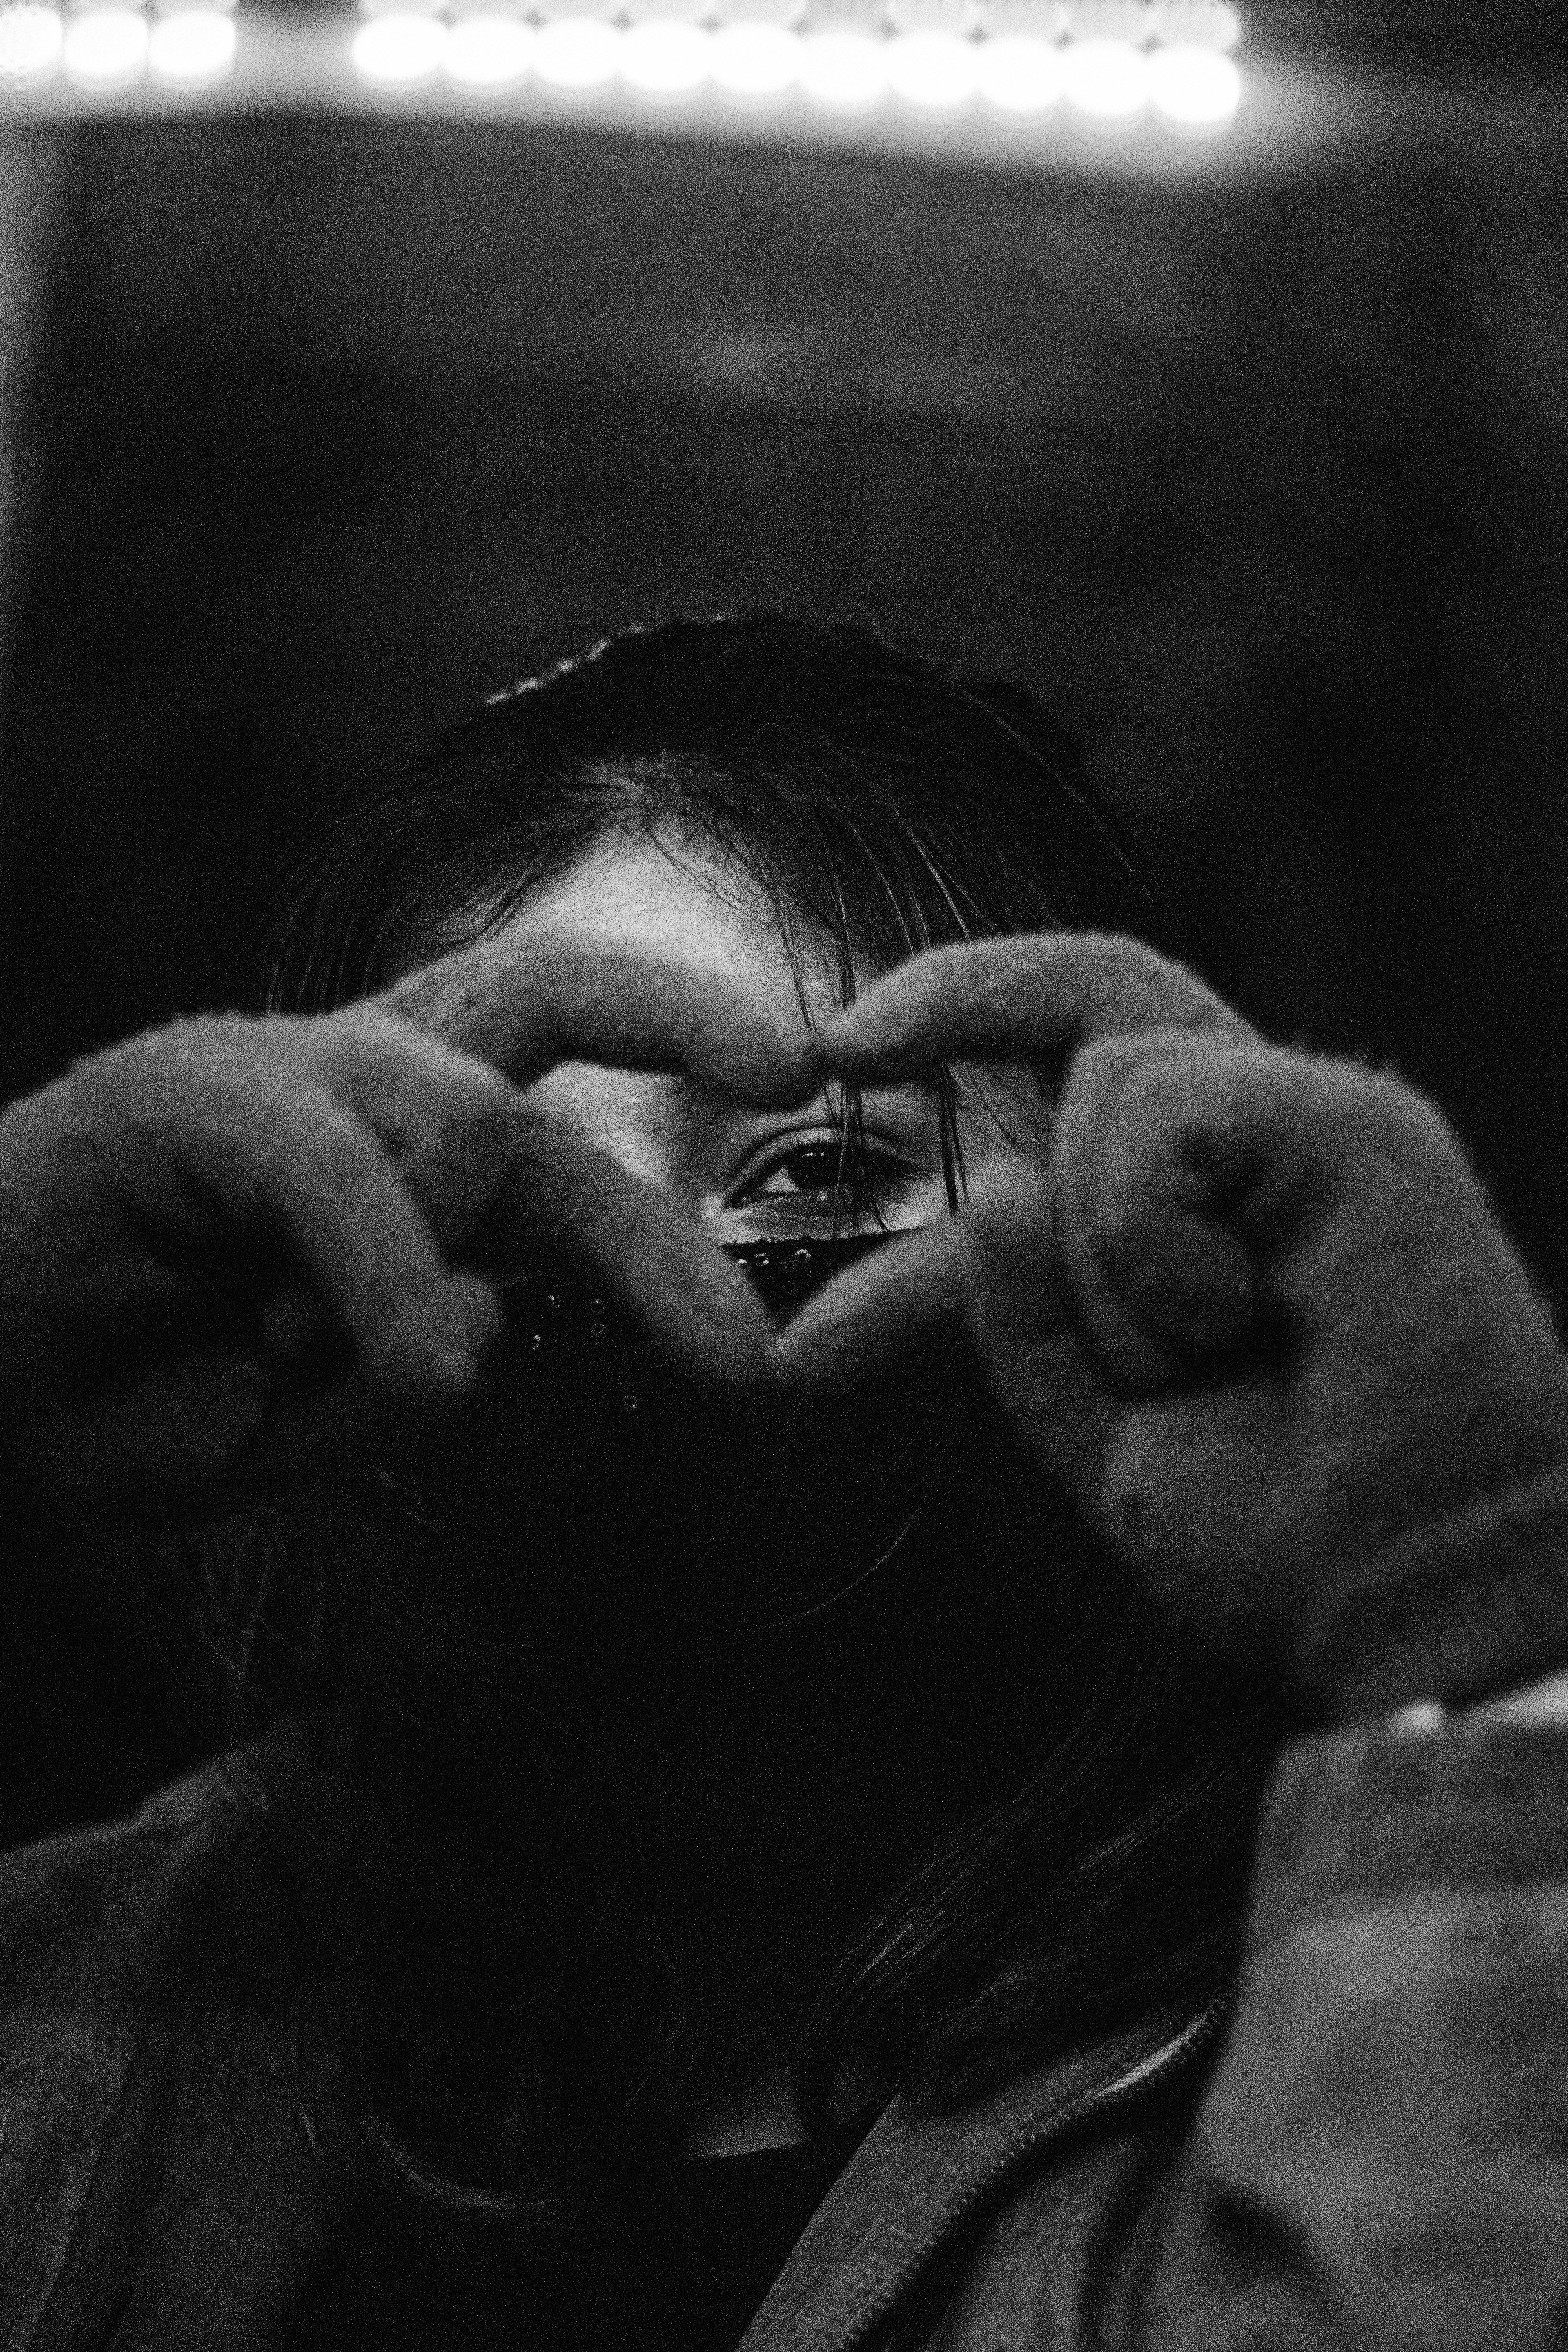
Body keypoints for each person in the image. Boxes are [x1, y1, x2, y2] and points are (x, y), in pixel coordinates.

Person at [2, 612, 1567, 2351]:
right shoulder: (114, 1995)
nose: (657, 1288)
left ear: (1116, 1223)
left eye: (819, 1170)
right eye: (520, 1204)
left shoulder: (1350, 2031)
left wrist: (1472, 1656)